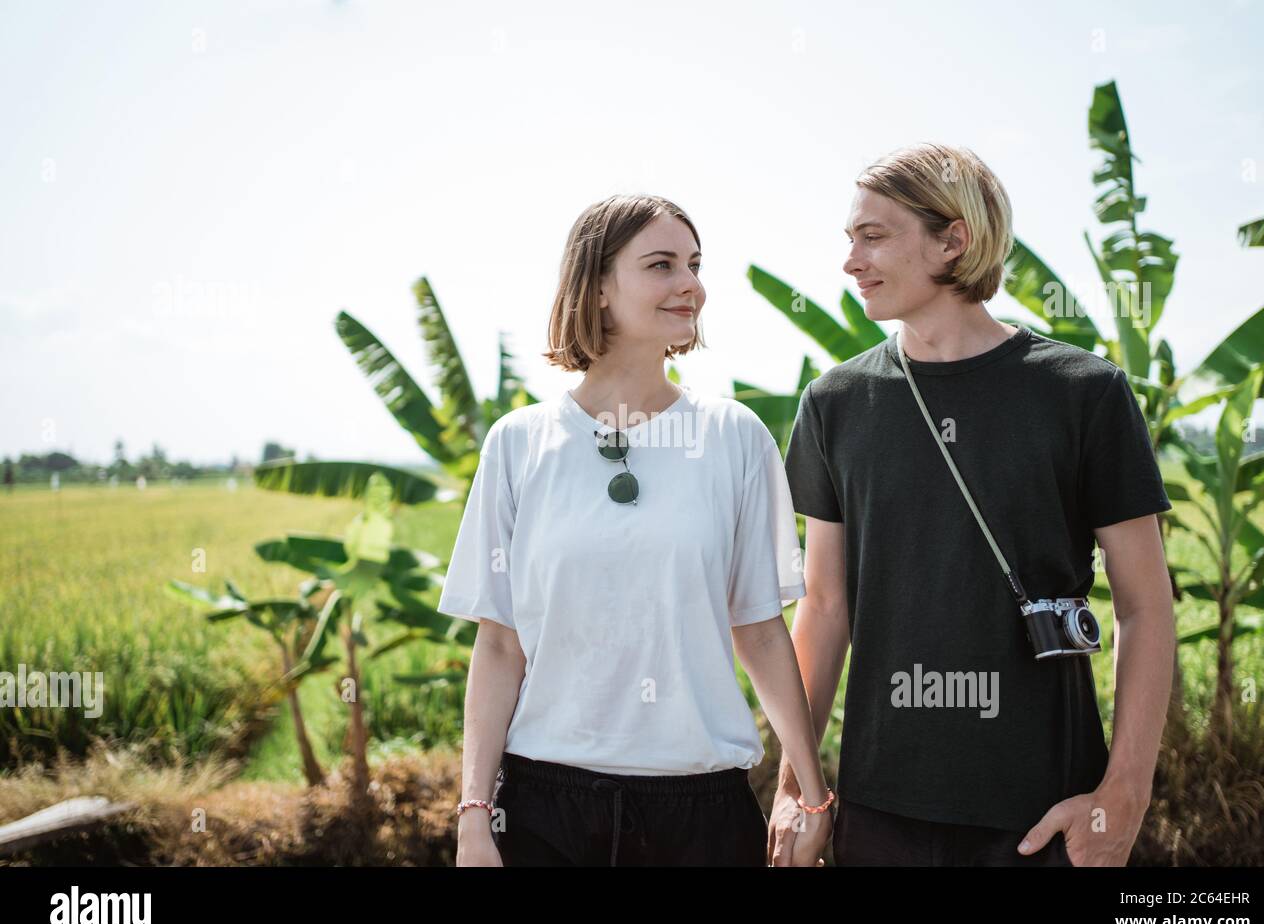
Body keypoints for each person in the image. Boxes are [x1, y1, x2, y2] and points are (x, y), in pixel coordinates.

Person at [770, 143, 1176, 866]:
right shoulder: (834, 405)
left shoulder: (1084, 394)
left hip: (1044, 818)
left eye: (873, 235)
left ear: (952, 239)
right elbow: (826, 606)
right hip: (881, 814)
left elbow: (1146, 606)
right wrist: (797, 787)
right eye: (849, 238)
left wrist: (1125, 795)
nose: (850, 260)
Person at [441, 194, 834, 867]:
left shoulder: (735, 438)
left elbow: (761, 630)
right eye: (661, 265)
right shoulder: (518, 444)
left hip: (704, 815)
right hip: (544, 809)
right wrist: (475, 815)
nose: (691, 285)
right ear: (597, 287)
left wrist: (812, 794)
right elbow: (500, 644)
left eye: (695, 264)